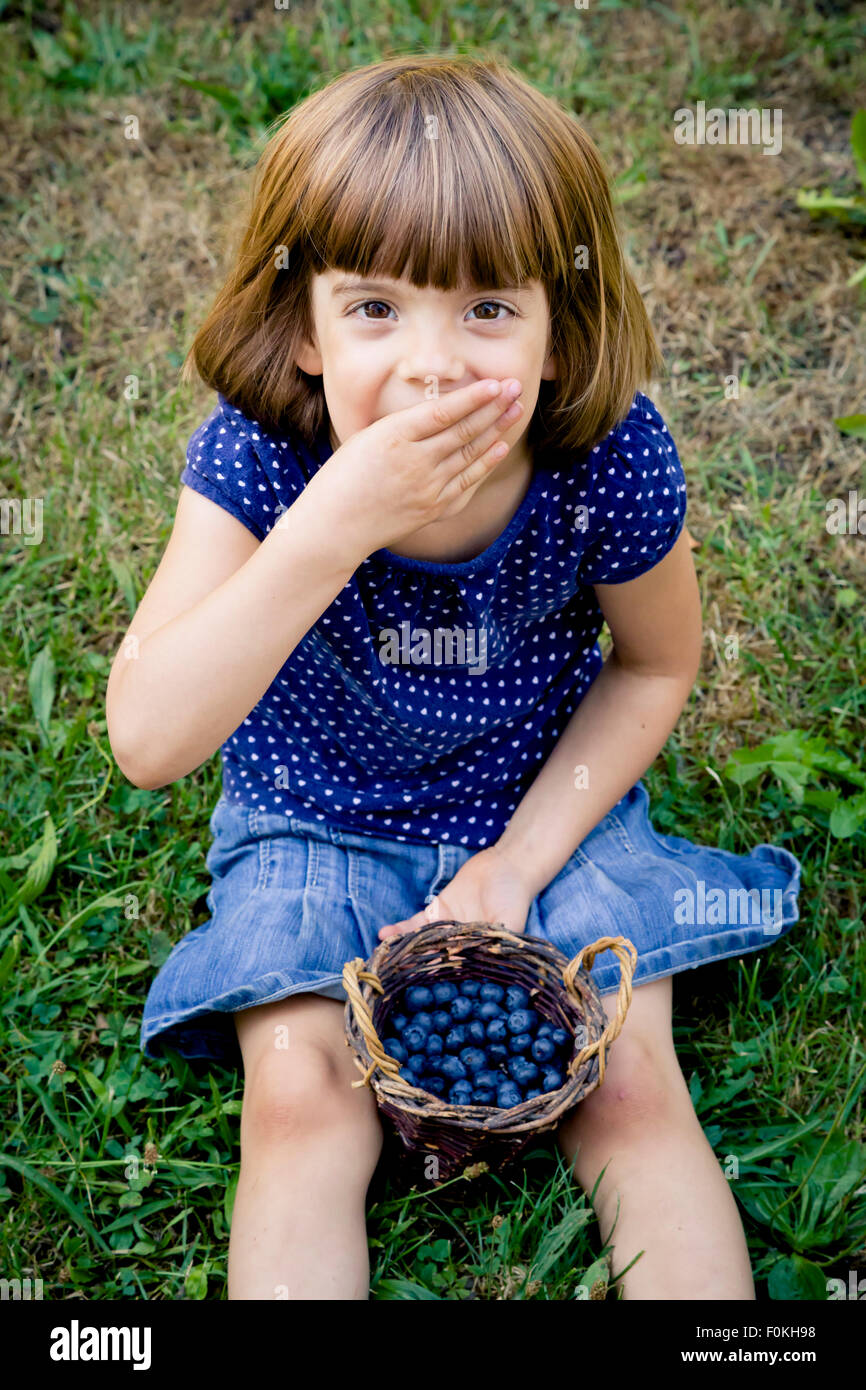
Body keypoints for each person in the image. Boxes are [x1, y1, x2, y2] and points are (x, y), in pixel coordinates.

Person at [106, 53, 801, 1301]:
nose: (431, 362)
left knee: (630, 1085)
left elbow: (653, 667)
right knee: (304, 1106)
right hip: (314, 816)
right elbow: (149, 737)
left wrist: (514, 869)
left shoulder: (605, 458)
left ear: (559, 328)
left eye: (488, 308)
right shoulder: (265, 458)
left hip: (542, 804)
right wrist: (328, 526)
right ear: (301, 329)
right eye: (374, 308)